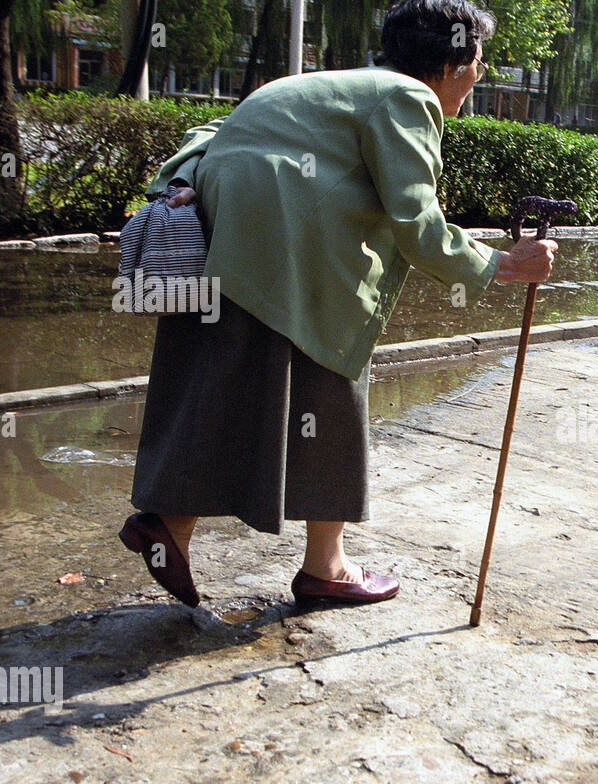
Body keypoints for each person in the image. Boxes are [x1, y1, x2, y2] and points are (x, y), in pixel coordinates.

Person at [119, 0, 558, 610]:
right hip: (294, 255)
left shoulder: (317, 85)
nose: (478, 77)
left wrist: (193, 186)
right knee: (331, 388)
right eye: (478, 62)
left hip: (222, 238)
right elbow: (416, 218)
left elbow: (206, 136)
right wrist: (504, 263)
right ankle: (326, 567)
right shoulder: (410, 98)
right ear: (453, 60)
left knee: (223, 382)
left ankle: (173, 524)